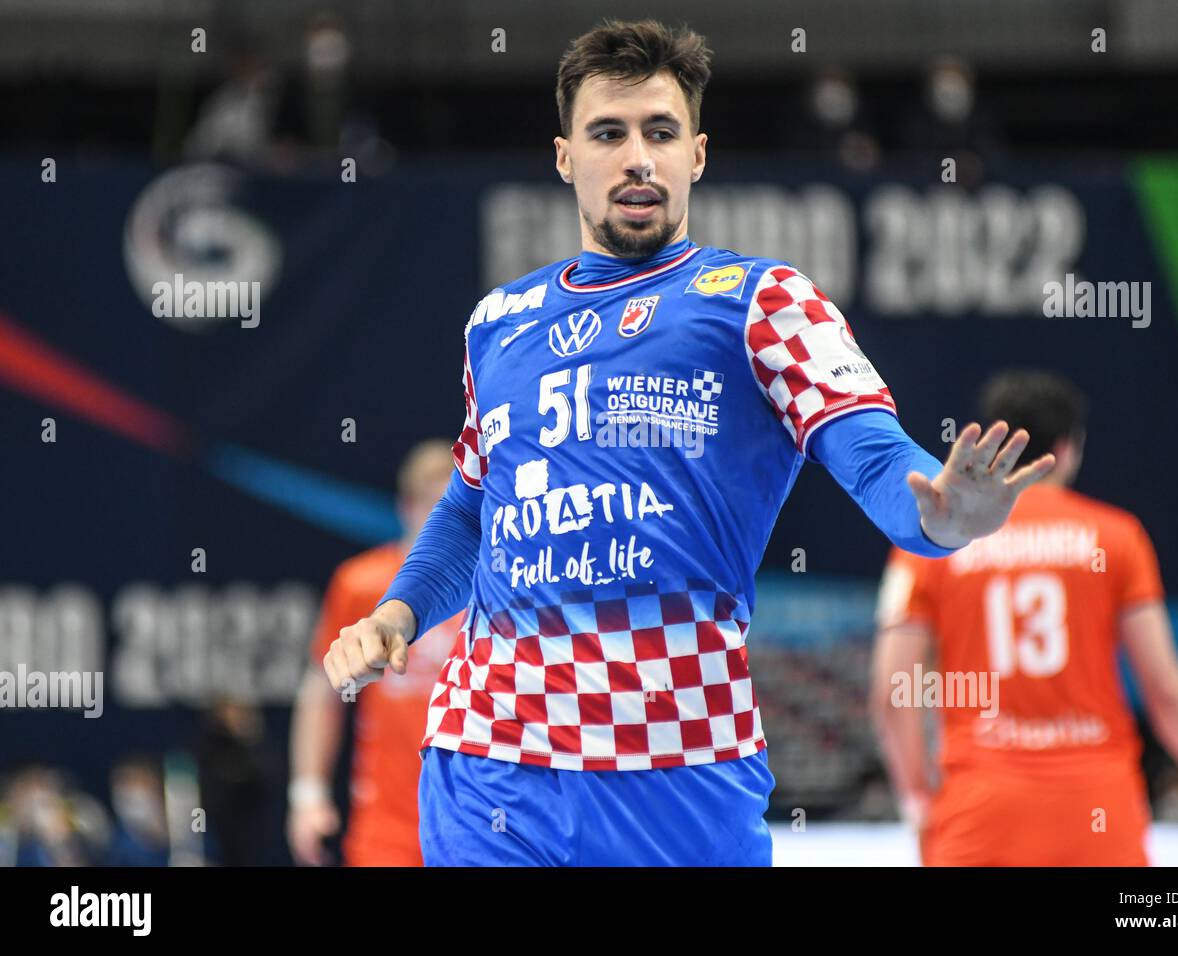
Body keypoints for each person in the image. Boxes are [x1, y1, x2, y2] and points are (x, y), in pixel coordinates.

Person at [322, 19, 1055, 867]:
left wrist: (947, 515)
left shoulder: (761, 303)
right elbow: (476, 505)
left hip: (679, 771)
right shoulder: (499, 323)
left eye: (660, 133)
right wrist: (398, 612)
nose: (638, 158)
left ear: (696, 155)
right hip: (492, 766)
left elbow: (883, 461)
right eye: (609, 133)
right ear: (566, 158)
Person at [872, 370, 1178, 866]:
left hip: (980, 811)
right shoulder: (1117, 538)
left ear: (993, 443)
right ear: (1067, 448)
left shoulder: (934, 542)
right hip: (1097, 808)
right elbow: (1162, 684)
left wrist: (916, 797)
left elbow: (894, 691)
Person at [289, 441, 463, 866]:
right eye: (432, 506)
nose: (444, 522)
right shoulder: (361, 583)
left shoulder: (493, 584)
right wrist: (307, 795)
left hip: (475, 815)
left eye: (455, 507)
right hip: (386, 828)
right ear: (406, 506)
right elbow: (322, 691)